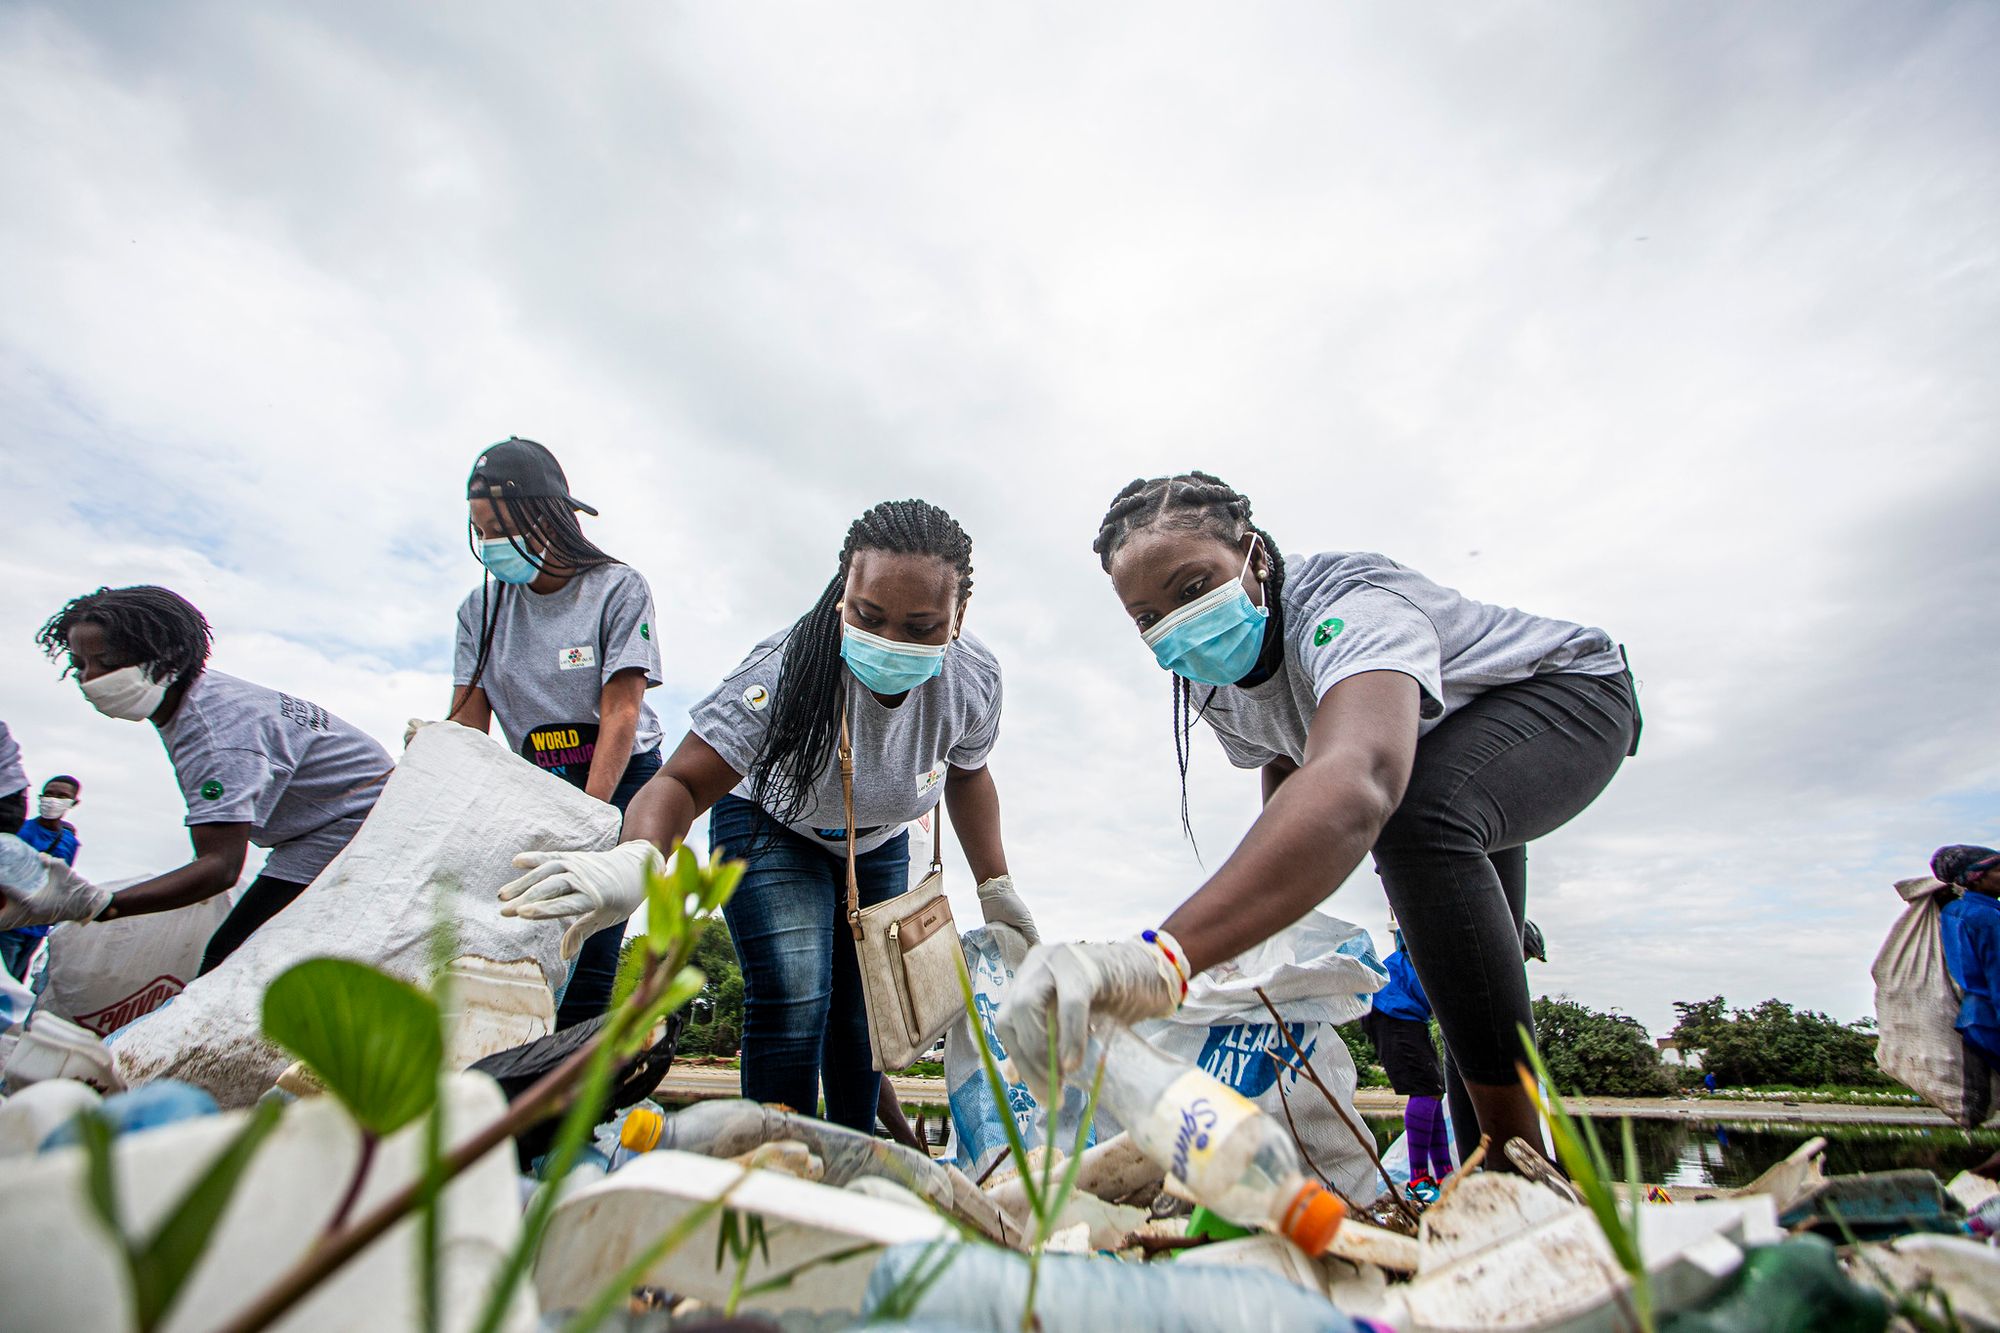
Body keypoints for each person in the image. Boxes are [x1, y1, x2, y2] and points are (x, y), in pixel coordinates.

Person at [997, 470, 1640, 1167]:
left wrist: (1161, 957)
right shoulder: (1210, 682)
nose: (1176, 625)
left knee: (1417, 823)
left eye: (1193, 587)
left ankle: (1520, 1170)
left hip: (1565, 695)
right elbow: (1291, 768)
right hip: (1443, 752)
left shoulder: (1351, 605)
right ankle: (1492, 1164)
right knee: (1465, 973)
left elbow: (1358, 777)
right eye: (1148, 618)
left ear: (1256, 557)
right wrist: (1255, 928)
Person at [495, 499, 1034, 1131]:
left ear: (957, 616)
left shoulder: (972, 681)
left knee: (867, 1010)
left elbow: (968, 776)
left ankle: (854, 1155)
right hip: (772, 827)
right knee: (796, 992)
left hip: (877, 842)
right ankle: (777, 1161)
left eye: (921, 627)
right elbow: (681, 782)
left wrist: (996, 887)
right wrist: (637, 856)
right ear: (843, 595)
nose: (892, 642)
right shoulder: (780, 672)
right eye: (868, 616)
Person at [2, 586, 392, 972]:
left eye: (107, 661)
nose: (90, 679)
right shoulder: (199, 698)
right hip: (335, 819)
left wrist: (97, 904)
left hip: (355, 822)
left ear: (165, 656)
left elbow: (219, 868)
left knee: (230, 964)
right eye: (81, 665)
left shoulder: (215, 732)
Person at [446, 437, 665, 1029]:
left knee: (588, 937)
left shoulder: (618, 588)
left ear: (547, 516)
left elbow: (620, 710)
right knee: (512, 925)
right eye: (479, 528)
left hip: (617, 780)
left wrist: (589, 825)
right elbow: (467, 719)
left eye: (500, 526)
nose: (490, 542)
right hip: (535, 780)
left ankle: (568, 1097)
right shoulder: (479, 610)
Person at [1362, 917, 1451, 1184]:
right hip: (1392, 1007)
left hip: (1409, 1014)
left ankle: (1444, 1173)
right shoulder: (1441, 937)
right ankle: (1418, 1180)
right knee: (1424, 1090)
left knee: (1434, 1091)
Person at [0, 775, 82, 981]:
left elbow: (60, 880)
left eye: (62, 796)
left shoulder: (69, 841)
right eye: (49, 794)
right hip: (8, 921)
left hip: (36, 927)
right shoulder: (20, 830)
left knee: (15, 981)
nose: (53, 799)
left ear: (74, 802)